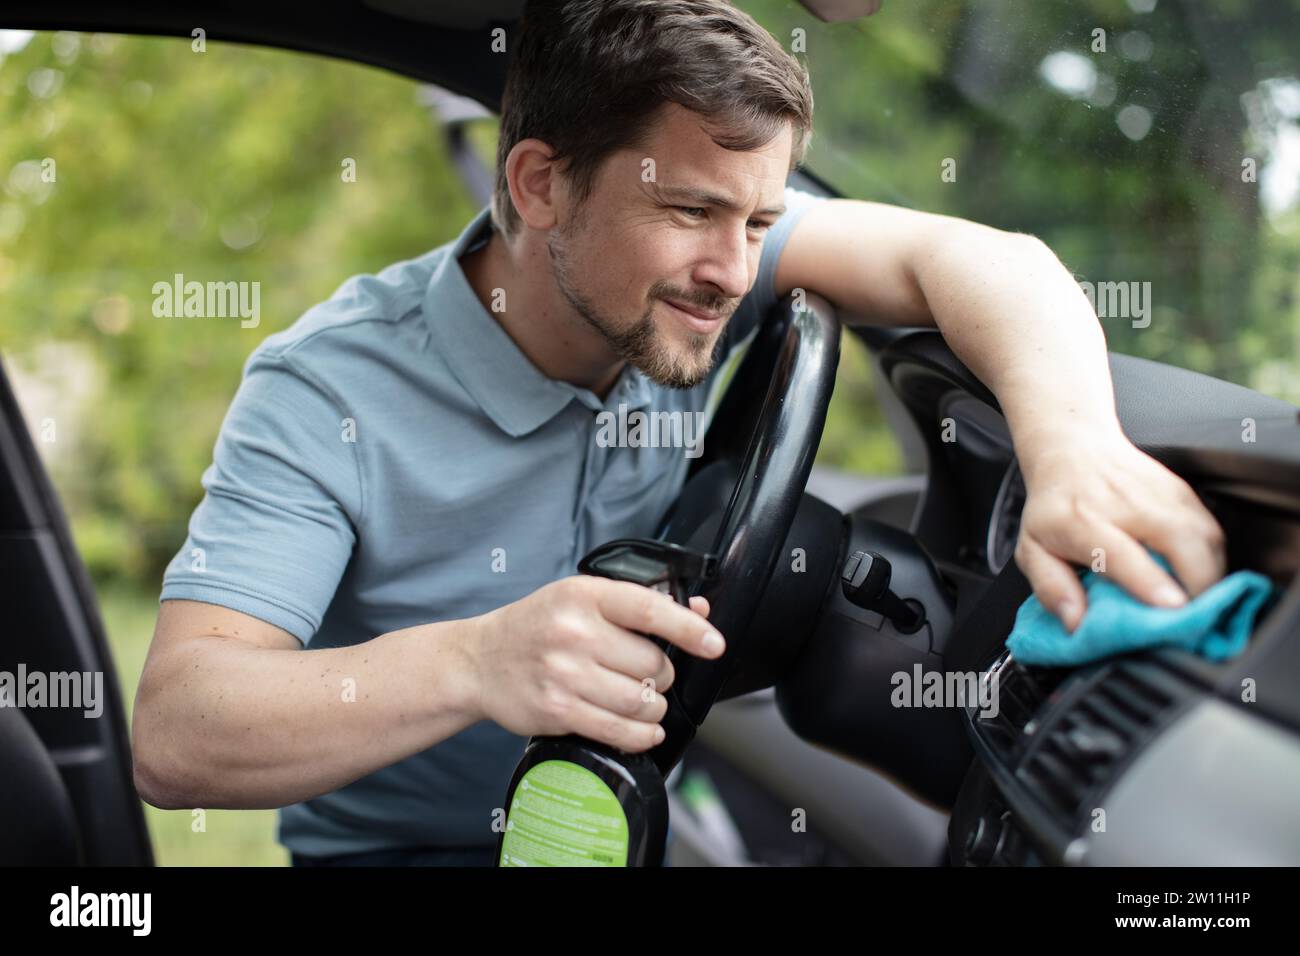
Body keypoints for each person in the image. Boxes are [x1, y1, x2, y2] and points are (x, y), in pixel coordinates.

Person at [132, 0, 1227, 866]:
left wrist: (1072, 448)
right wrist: (477, 659)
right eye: (694, 212)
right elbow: (179, 728)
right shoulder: (325, 390)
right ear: (541, 184)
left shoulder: (681, 290)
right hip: (413, 852)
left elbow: (990, 260)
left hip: (644, 800)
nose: (737, 270)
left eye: (759, 220)